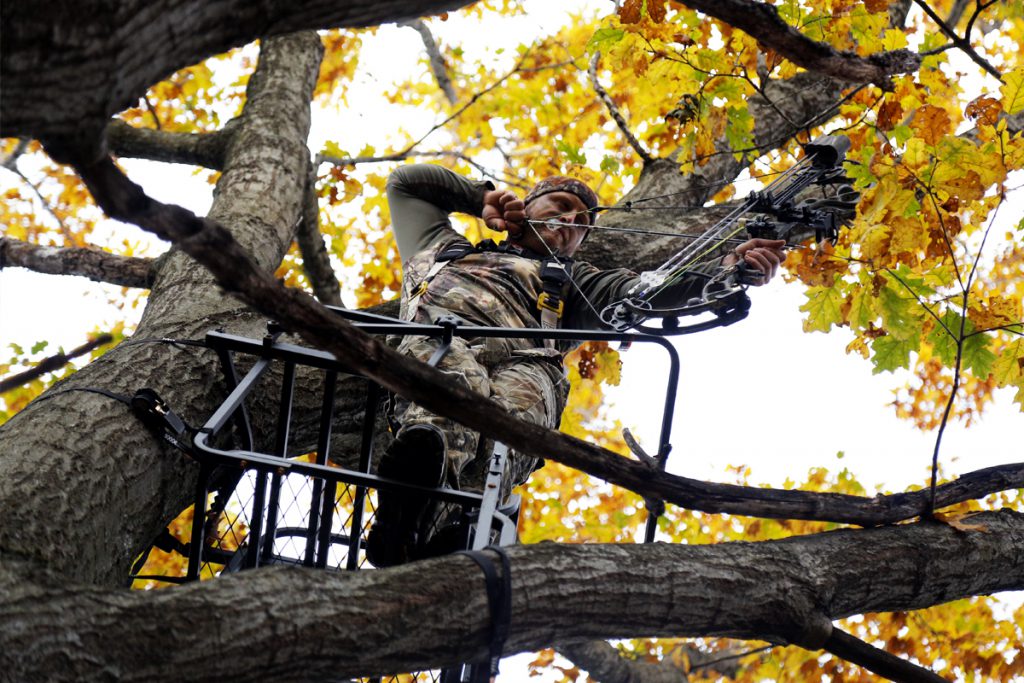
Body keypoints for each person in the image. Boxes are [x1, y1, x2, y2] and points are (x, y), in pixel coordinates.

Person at [365, 163, 786, 567]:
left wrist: (729, 271)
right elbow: (406, 183)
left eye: (582, 222)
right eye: (560, 205)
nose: (571, 220)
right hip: (444, 338)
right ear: (526, 209)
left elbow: (643, 292)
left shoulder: (574, 281)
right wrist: (483, 199)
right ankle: (421, 489)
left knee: (511, 428)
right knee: (454, 385)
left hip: (526, 363)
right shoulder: (439, 247)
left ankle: (437, 525)